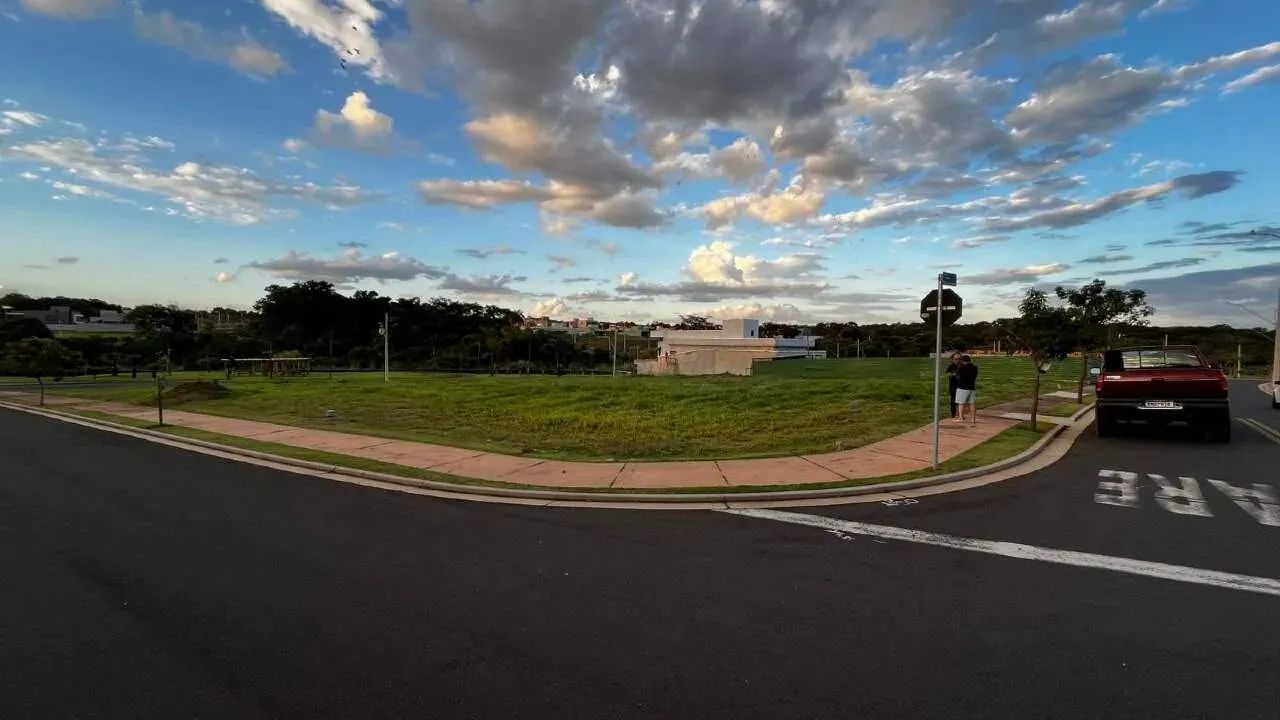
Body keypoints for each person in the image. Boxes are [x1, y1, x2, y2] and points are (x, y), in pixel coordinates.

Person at [954, 354, 979, 425]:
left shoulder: (962, 367)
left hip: (962, 387)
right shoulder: (975, 367)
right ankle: (973, 419)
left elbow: (956, 375)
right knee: (972, 403)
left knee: (961, 403)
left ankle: (961, 418)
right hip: (972, 387)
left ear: (962, 360)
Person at [944, 352, 961, 418]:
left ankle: (960, 414)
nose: (958, 360)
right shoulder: (951, 366)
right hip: (953, 386)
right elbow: (947, 374)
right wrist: (953, 375)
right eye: (956, 359)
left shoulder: (963, 365)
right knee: (953, 400)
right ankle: (953, 414)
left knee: (961, 401)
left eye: (959, 359)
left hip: (962, 386)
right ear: (953, 359)